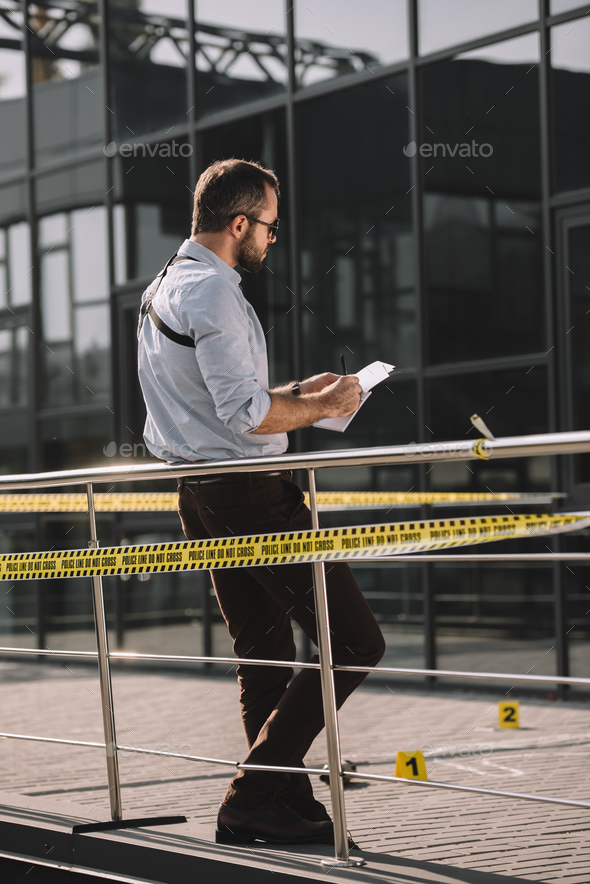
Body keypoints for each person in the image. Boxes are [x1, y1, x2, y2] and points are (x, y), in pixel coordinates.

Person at [137, 158, 385, 846]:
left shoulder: (164, 285)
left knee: (265, 654)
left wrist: (304, 393)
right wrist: (325, 407)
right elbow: (245, 415)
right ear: (241, 223)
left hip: (202, 493)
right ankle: (251, 794)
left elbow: (221, 402)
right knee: (356, 640)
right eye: (272, 226)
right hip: (247, 495)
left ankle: (280, 805)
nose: (275, 238)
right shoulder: (213, 292)